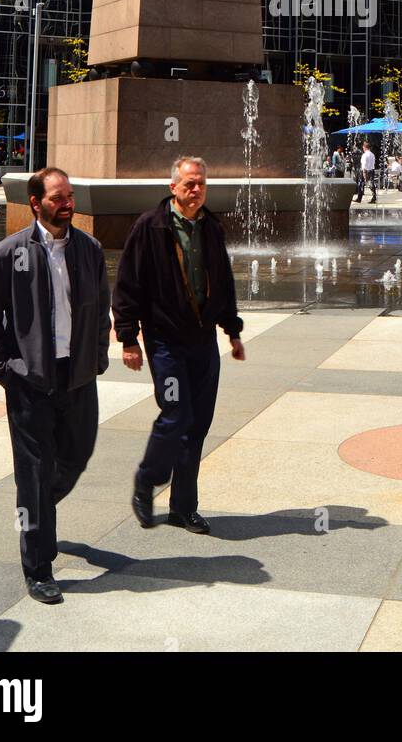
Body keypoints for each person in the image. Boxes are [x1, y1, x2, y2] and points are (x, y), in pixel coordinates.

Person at [0, 168, 110, 605]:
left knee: (76, 455)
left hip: (78, 377)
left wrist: (98, 356)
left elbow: (101, 308)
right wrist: (5, 370)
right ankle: (38, 566)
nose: (67, 203)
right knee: (32, 474)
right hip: (30, 381)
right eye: (58, 197)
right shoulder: (9, 252)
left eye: (69, 196)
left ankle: (39, 513)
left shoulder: (88, 250)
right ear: (36, 203)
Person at [113, 156, 245, 534]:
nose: (196, 190)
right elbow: (127, 284)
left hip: (202, 342)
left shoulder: (210, 226)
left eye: (201, 183)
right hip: (165, 341)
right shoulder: (150, 227)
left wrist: (232, 331)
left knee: (198, 424)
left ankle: (183, 507)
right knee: (176, 414)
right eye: (189, 184)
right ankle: (147, 479)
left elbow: (222, 282)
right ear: (173, 187)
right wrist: (128, 338)